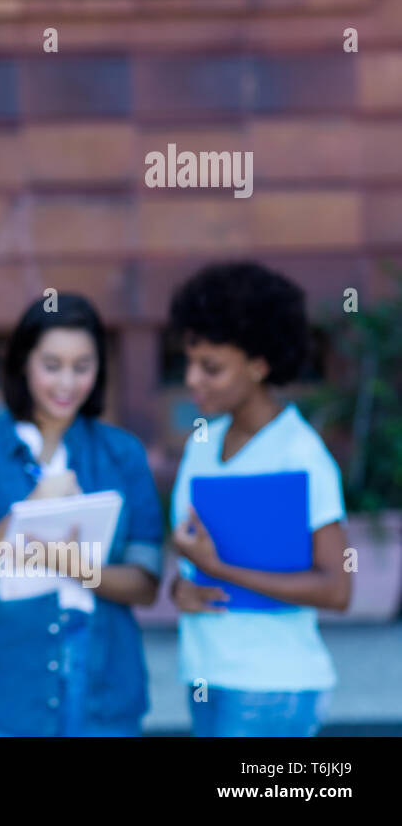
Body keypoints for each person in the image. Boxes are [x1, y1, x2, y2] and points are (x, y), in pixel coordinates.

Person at [0, 292, 163, 736]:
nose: (67, 384)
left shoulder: (123, 454)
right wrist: (30, 510)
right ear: (24, 363)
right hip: (6, 679)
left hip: (104, 675)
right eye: (52, 365)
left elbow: (146, 582)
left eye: (83, 367)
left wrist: (78, 569)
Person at [167, 261, 351, 736]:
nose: (192, 380)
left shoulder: (301, 455)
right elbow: (192, 559)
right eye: (188, 362)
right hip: (206, 674)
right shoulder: (202, 443)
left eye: (212, 368)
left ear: (259, 364)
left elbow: (337, 588)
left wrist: (221, 568)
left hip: (273, 686)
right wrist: (181, 590)